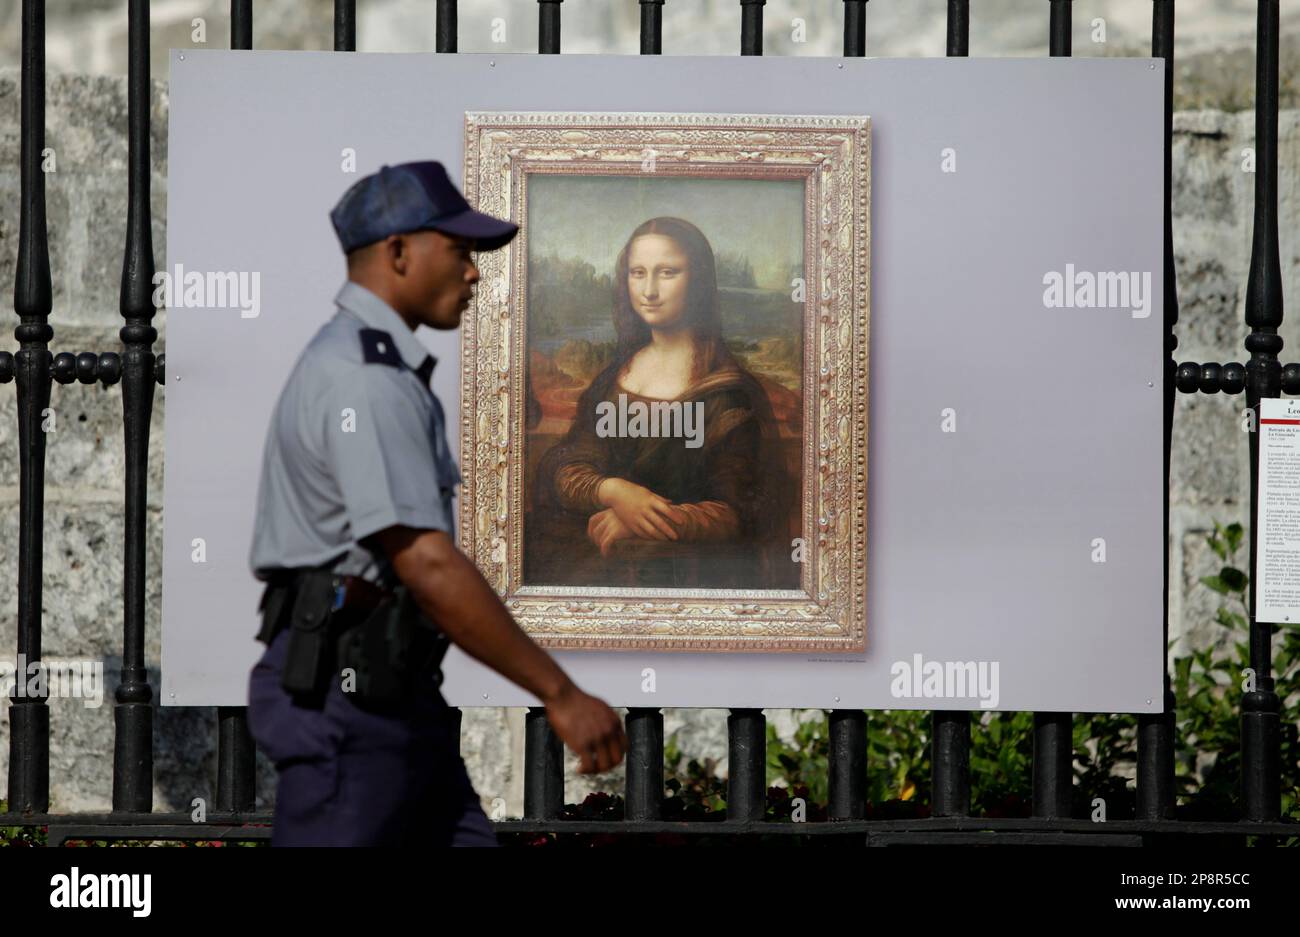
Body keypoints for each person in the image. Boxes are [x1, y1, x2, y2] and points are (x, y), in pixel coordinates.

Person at [246, 160, 627, 847]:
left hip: (391, 696)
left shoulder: (375, 368)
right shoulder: (367, 380)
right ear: (397, 252)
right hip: (348, 701)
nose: (474, 271)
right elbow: (425, 561)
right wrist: (561, 694)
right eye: (459, 251)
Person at [529, 216, 797, 590]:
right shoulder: (615, 377)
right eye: (638, 273)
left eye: (667, 272)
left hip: (690, 574)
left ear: (698, 280)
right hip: (598, 564)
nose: (649, 290)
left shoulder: (729, 392)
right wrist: (613, 492)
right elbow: (568, 463)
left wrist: (643, 519)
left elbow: (740, 511)